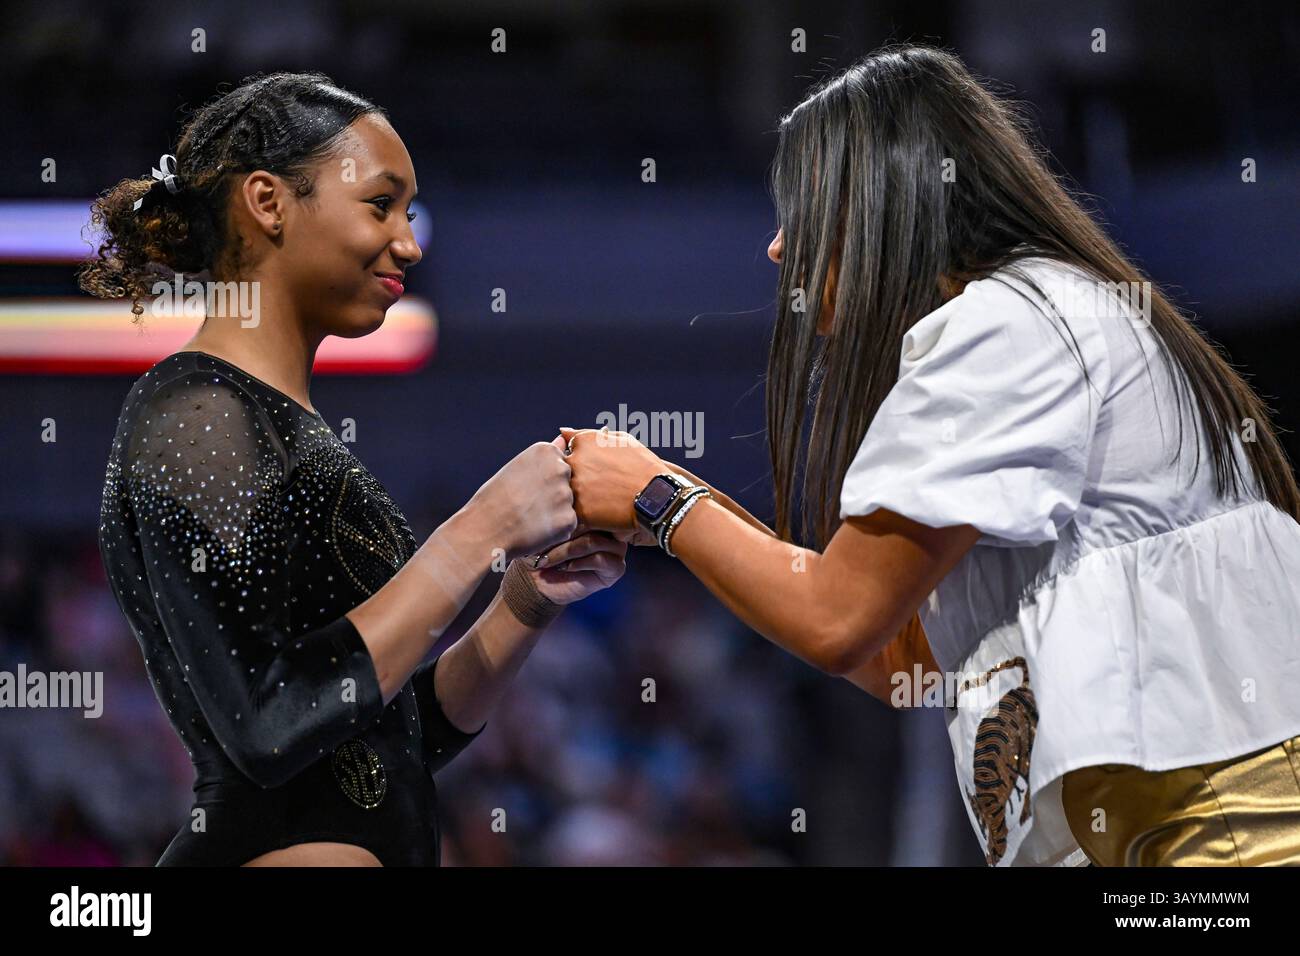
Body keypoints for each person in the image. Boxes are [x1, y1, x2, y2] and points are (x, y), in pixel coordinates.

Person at [557, 44, 1300, 867]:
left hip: (1229, 820)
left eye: (799, 208)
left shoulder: (1008, 325)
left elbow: (835, 621)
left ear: (881, 203)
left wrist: (658, 499)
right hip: (1190, 816)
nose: (776, 248)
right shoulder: (1045, 309)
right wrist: (673, 495)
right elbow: (891, 654)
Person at [81, 72, 627, 866]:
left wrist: (521, 599)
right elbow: (271, 725)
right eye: (381, 205)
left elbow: (392, 740)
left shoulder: (275, 425)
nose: (408, 241)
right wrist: (478, 530)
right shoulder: (198, 415)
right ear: (268, 203)